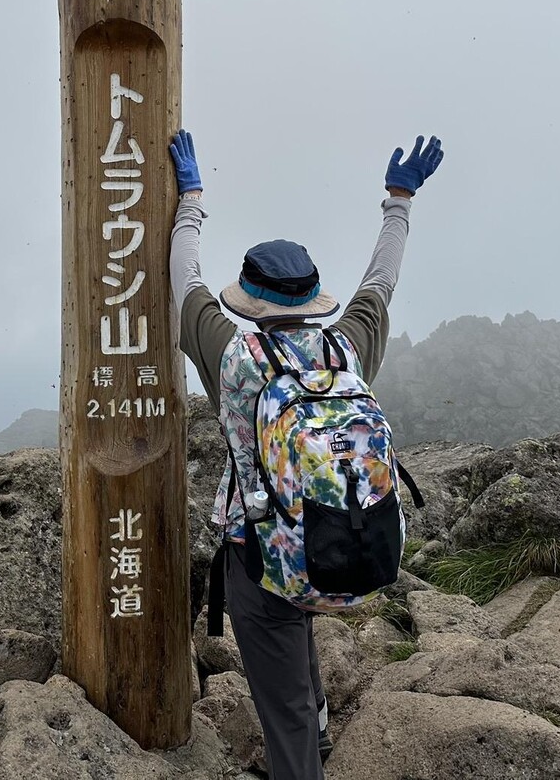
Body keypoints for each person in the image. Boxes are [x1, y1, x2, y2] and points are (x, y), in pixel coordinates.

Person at [168, 128, 444, 780]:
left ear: (251, 300)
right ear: (311, 299)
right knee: (304, 620)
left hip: (258, 557)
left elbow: (184, 276)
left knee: (282, 704)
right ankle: (318, 731)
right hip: (336, 540)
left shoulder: (232, 355)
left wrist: (191, 199)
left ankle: (304, 753)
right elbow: (381, 279)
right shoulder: (346, 349)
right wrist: (398, 200)